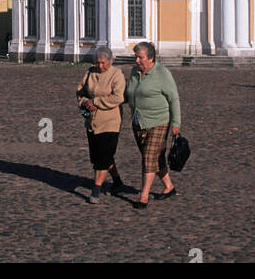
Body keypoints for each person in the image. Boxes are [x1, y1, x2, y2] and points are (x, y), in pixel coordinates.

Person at [124, 41, 181, 209]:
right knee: (155, 158)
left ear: (150, 58)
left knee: (149, 157)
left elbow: (174, 98)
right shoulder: (135, 72)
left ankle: (144, 196)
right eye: (135, 57)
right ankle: (169, 187)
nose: (136, 60)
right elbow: (129, 93)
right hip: (138, 121)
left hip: (159, 121)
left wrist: (176, 123)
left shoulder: (162, 73)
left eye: (140, 57)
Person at [76, 47, 126, 203]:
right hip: (92, 122)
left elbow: (118, 97)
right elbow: (80, 92)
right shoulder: (90, 72)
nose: (100, 66)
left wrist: (96, 102)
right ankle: (117, 182)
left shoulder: (117, 75)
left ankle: (95, 191)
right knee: (98, 156)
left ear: (111, 61)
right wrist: (85, 102)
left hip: (110, 122)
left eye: (103, 63)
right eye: (98, 62)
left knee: (103, 157)